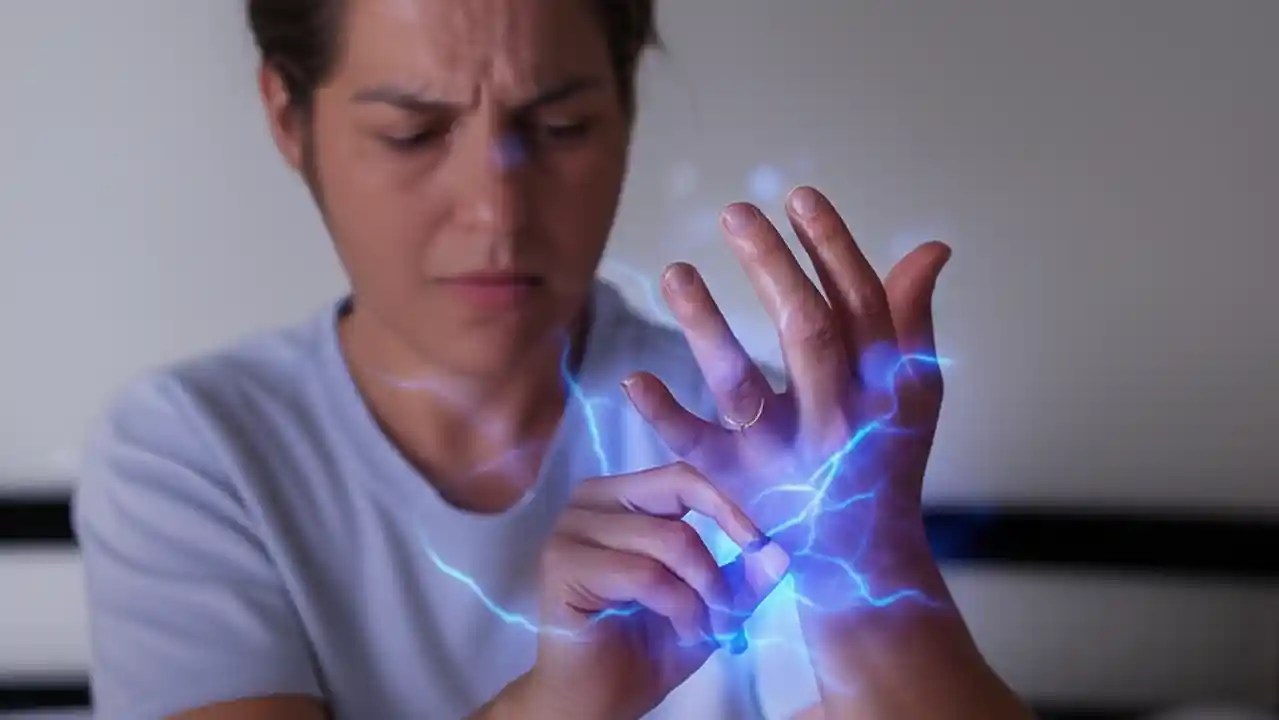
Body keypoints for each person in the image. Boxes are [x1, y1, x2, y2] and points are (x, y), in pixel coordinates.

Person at [73, 0, 1032, 718]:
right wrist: (562, 704)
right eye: (412, 134)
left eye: (561, 127)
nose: (496, 214)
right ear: (290, 117)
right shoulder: (191, 456)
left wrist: (876, 562)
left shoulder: (754, 444)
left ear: (625, 110)